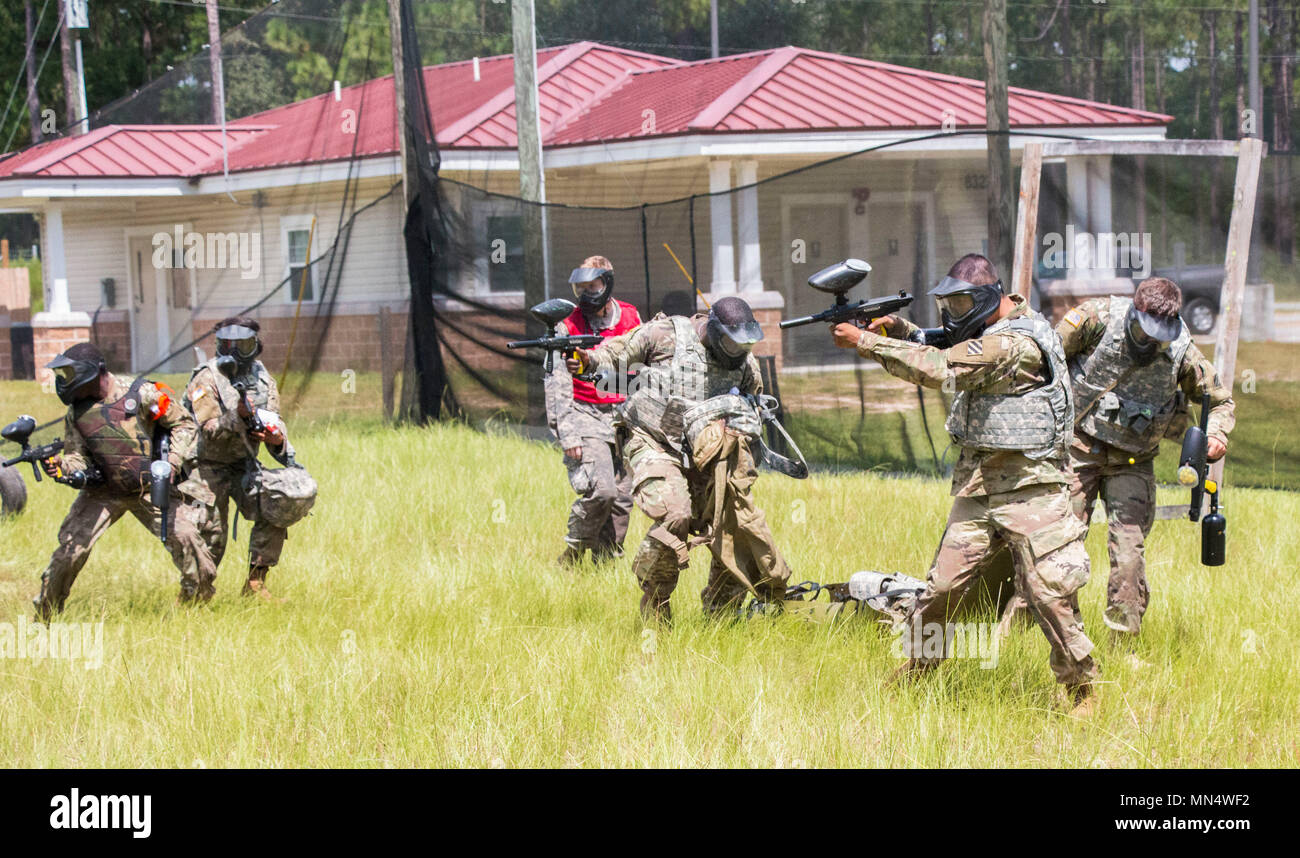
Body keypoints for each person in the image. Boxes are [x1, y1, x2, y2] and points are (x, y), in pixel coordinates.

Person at [832, 254, 1099, 712]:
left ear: (988, 297)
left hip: (1032, 489)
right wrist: (898, 330)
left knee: (1047, 592)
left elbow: (942, 367)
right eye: (949, 306)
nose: (954, 316)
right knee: (944, 587)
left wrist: (865, 343)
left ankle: (1081, 689)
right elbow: (939, 342)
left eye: (960, 305)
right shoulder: (994, 327)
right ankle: (920, 669)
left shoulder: (1016, 344)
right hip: (980, 488)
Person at [568, 296, 792, 621]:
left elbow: (754, 404)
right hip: (652, 440)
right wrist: (587, 361)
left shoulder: (744, 363)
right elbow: (615, 353)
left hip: (706, 451)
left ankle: (722, 617)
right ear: (714, 331)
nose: (738, 350)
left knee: (733, 525)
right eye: (731, 342)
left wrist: (745, 420)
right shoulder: (665, 334)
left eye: (745, 343)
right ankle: (656, 604)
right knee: (676, 514)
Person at [1048, 277, 1234, 637]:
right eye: (1147, 333)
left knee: (1129, 554)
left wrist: (1216, 434)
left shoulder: (1182, 351)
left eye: (1160, 336)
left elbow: (1220, 400)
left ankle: (1122, 642)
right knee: (1059, 545)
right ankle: (1061, 636)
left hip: (1132, 461)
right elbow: (1046, 362)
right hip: (1078, 448)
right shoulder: (1095, 318)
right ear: (1136, 310)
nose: (1153, 343)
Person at [32, 342, 215, 618]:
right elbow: (77, 457)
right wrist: (62, 467)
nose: (64, 383)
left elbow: (183, 424)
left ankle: (192, 610)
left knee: (189, 541)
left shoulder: (141, 393)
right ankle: (44, 618)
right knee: (68, 554)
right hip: (103, 491)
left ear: (94, 373)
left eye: (69, 375)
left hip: (149, 486)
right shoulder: (77, 413)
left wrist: (172, 463)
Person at [183, 317, 313, 600]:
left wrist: (278, 441)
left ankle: (255, 584)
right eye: (233, 344)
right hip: (206, 468)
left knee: (282, 499)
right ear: (221, 345)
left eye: (246, 344)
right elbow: (207, 430)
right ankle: (195, 594)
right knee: (211, 535)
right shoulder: (206, 377)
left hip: (245, 465)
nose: (240, 351)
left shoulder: (263, 378)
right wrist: (237, 417)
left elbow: (275, 422)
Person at [545, 256, 641, 566]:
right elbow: (556, 382)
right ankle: (573, 550)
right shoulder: (567, 324)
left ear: (607, 284)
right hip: (584, 412)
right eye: (581, 287)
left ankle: (605, 563)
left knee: (623, 497)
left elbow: (643, 368)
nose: (587, 293)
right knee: (603, 491)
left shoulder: (630, 317)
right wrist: (566, 432)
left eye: (593, 286)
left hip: (624, 415)